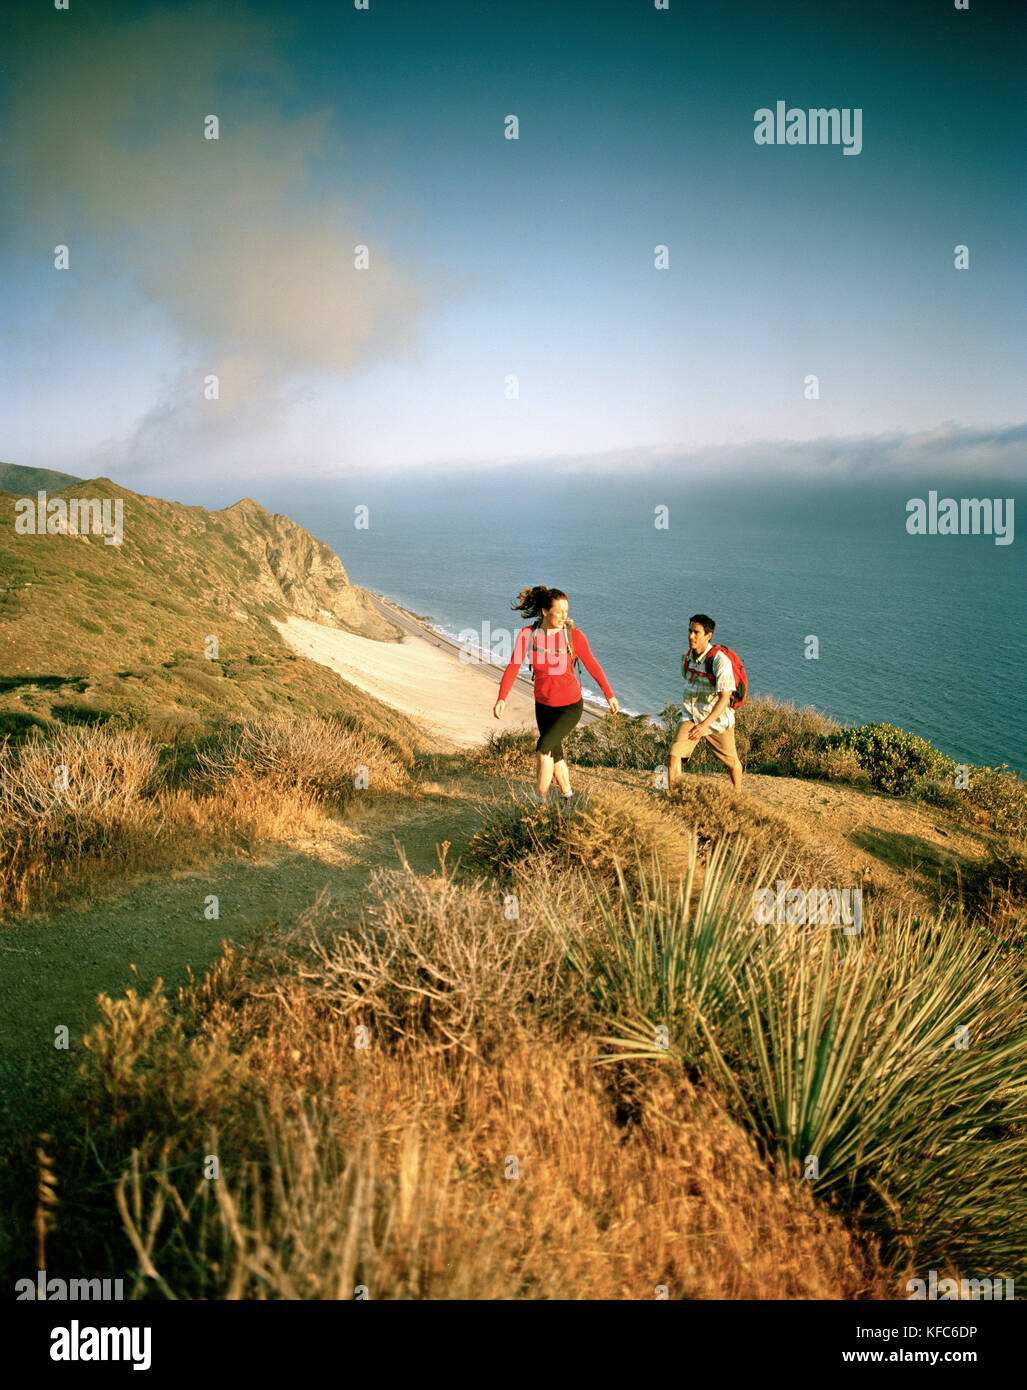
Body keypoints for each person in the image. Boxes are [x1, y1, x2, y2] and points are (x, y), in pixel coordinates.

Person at [493, 586, 618, 805]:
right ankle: (569, 796)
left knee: (543, 750)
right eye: (558, 611)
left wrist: (609, 695)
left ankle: (539, 803)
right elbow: (513, 666)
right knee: (555, 755)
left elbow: (592, 665)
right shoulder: (528, 635)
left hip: (570, 706)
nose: (564, 616)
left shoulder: (574, 636)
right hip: (543, 705)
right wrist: (502, 698)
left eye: (566, 611)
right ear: (544, 611)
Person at [668, 613, 744, 791]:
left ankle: (738, 793)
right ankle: (675, 795)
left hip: (717, 721)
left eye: (696, 632)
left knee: (732, 762)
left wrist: (704, 726)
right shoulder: (688, 657)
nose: (690, 636)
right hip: (691, 716)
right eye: (689, 631)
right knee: (674, 756)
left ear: (708, 635)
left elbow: (725, 698)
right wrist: (697, 723)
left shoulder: (719, 661)